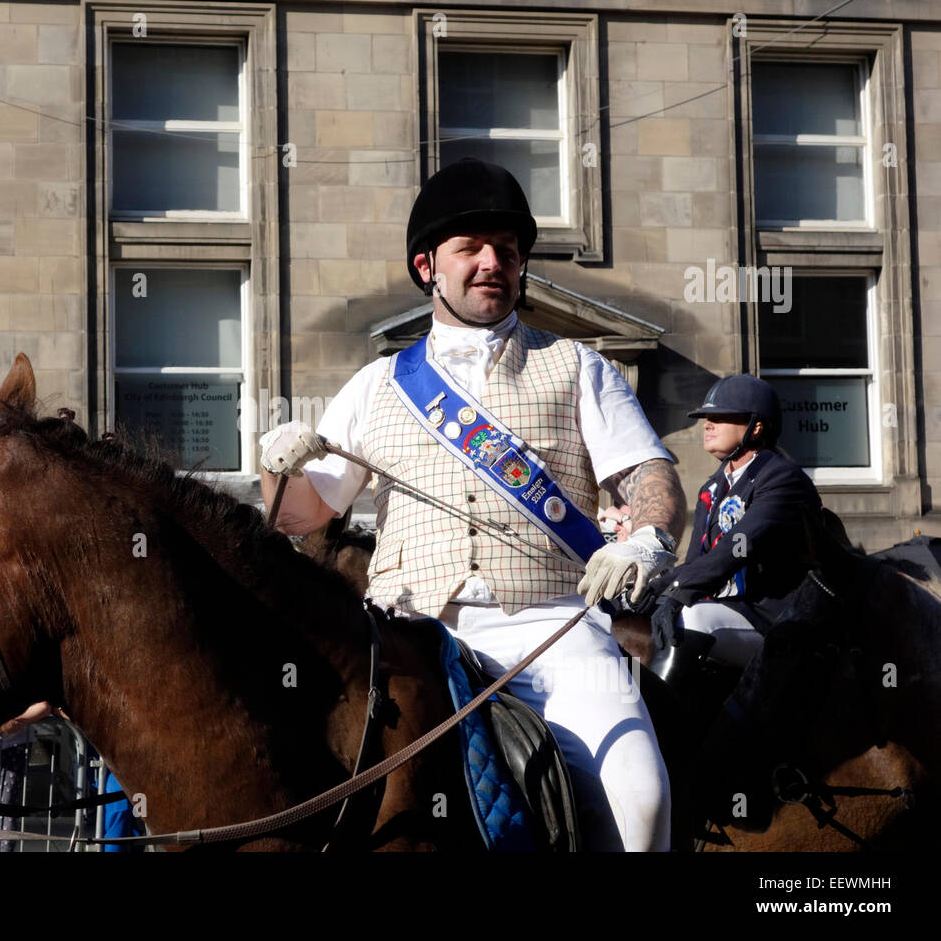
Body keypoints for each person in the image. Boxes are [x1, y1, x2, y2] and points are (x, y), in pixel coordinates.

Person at [259, 157, 686, 851]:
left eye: (508, 252)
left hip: (551, 625)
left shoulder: (581, 366)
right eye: (471, 249)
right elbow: (300, 517)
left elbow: (650, 477)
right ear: (428, 267)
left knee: (642, 801)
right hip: (406, 630)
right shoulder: (376, 385)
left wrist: (646, 537)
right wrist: (276, 465)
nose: (493, 263)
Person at [647, 375, 823, 668]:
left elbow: (736, 548)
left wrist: (677, 593)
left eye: (720, 416)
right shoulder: (712, 487)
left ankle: (664, 715)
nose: (707, 424)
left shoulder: (782, 478)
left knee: (691, 618)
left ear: (756, 427)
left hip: (777, 617)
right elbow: (695, 563)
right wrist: (648, 590)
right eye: (706, 417)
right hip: (727, 607)